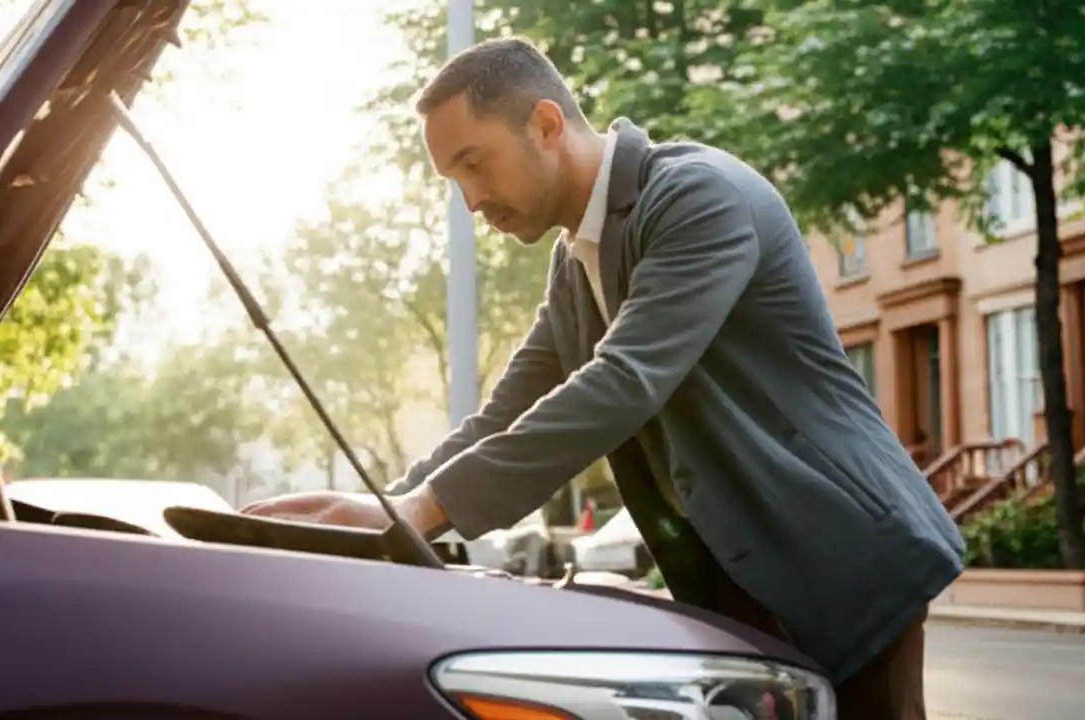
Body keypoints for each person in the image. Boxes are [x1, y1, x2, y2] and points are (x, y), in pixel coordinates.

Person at [242, 36, 964, 718]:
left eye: (474, 163)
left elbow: (623, 383)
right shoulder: (577, 259)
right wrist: (385, 508)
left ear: (547, 124)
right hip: (744, 580)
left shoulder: (697, 198)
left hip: (842, 557)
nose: (470, 200)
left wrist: (423, 510)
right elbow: (505, 413)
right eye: (453, 178)